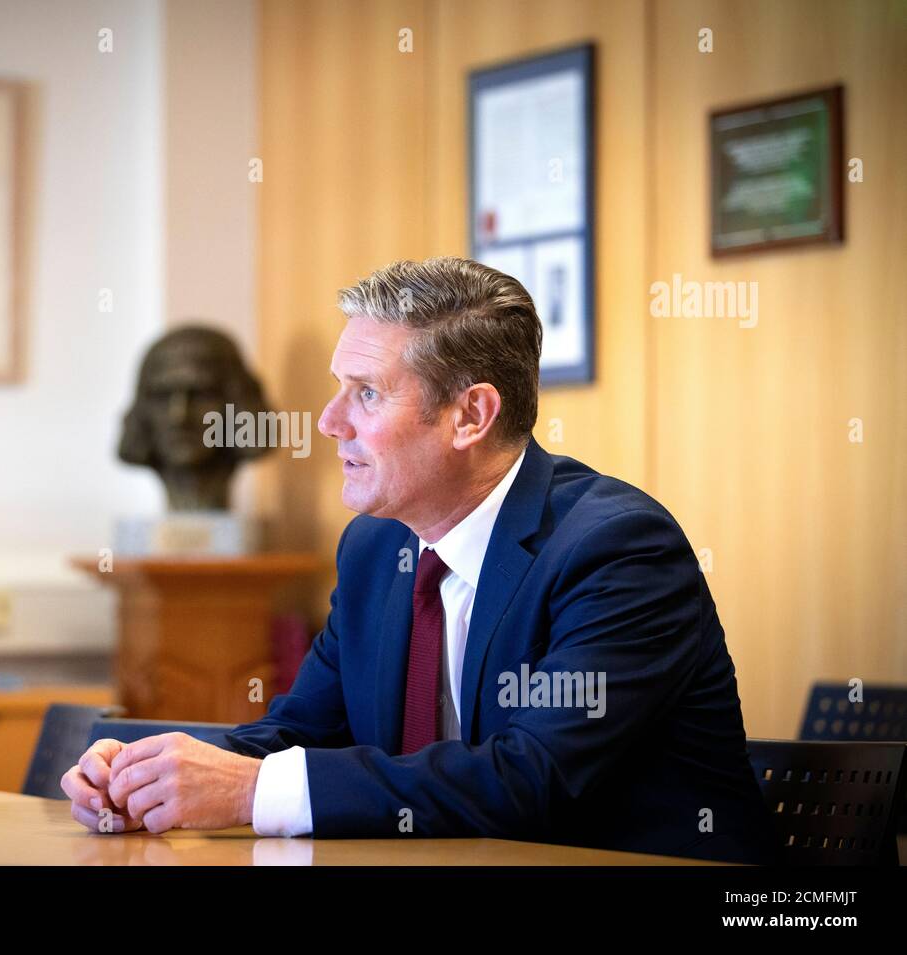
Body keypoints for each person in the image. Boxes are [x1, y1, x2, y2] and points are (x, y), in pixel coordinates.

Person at [63, 256, 777, 863]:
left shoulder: (617, 550)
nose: (329, 420)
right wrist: (150, 771)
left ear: (471, 415)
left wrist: (250, 791)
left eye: (366, 393)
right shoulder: (376, 547)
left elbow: (531, 779)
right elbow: (302, 732)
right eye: (340, 388)